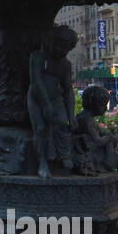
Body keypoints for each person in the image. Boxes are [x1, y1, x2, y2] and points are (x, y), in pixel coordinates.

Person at [27, 25, 76, 178]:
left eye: (66, 49)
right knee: (40, 128)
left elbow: (68, 90)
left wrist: (71, 116)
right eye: (59, 46)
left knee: (62, 123)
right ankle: (42, 163)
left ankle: (63, 157)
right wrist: (46, 105)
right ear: (51, 42)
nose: (61, 51)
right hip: (36, 97)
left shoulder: (65, 65)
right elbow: (36, 82)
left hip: (55, 98)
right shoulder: (38, 57)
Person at [72, 84, 118, 191]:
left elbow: (101, 132)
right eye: (103, 105)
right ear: (94, 105)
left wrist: (113, 137)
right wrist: (109, 138)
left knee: (110, 138)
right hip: (91, 155)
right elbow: (98, 141)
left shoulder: (86, 117)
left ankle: (111, 158)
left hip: (92, 151)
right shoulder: (87, 120)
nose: (105, 108)